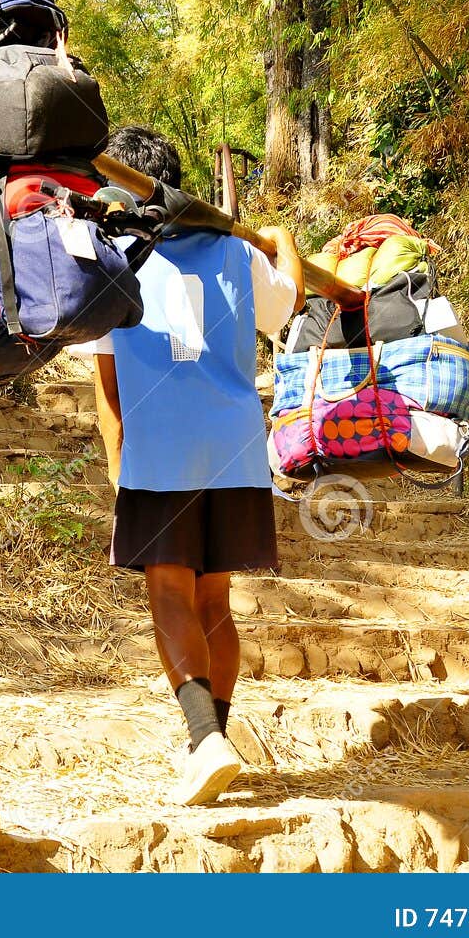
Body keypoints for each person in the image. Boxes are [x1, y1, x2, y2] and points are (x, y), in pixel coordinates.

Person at [83, 126, 305, 806]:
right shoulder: (239, 250)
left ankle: (206, 741)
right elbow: (289, 304)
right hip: (235, 448)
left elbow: (107, 389)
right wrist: (284, 240)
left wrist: (119, 466)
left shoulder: (109, 259)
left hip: (162, 452)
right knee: (214, 603)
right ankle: (210, 743)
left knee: (171, 598)